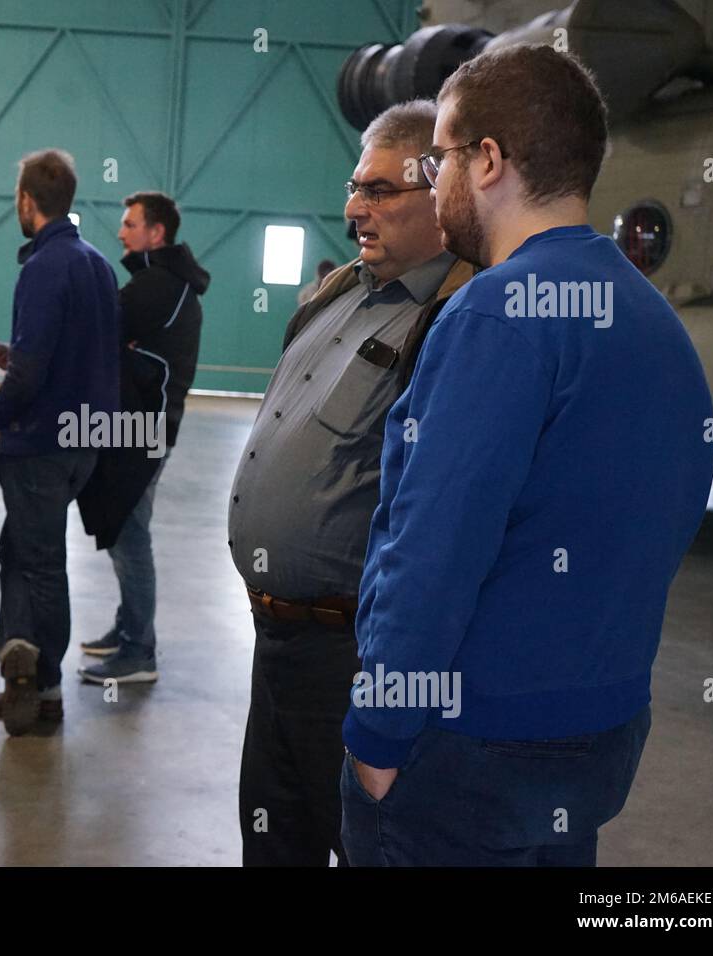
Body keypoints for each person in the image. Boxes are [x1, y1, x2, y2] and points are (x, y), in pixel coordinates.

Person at [340, 44, 713, 866]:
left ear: (487, 161)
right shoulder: (653, 321)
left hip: (466, 753)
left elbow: (433, 548)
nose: (433, 181)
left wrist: (378, 737)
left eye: (439, 157)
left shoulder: (494, 314)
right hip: (594, 740)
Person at [228, 99, 473, 867]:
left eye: (377, 191)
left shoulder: (454, 319)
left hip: (351, 658)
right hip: (276, 644)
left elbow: (441, 523)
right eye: (353, 186)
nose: (353, 208)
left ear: (440, 195)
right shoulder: (338, 295)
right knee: (273, 844)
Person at [0, 149, 119, 736]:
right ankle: (21, 672)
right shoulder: (98, 264)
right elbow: (88, 354)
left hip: (39, 441)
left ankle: (47, 689)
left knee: (37, 562)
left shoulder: (43, 266)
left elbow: (32, 366)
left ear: (27, 202)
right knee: (20, 550)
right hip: (84, 441)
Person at [75, 190, 209, 684]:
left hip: (144, 426)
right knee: (124, 529)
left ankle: (139, 651)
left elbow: (100, 333)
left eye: (130, 224)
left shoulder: (158, 284)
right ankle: (129, 626)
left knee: (130, 533)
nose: (120, 232)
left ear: (157, 233)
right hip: (139, 423)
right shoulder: (162, 282)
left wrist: (119, 346)